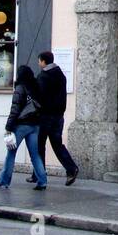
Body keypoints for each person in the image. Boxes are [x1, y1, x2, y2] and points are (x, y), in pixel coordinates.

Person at [0, 65, 47, 190]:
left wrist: (8, 127)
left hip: (21, 125)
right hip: (35, 125)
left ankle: (4, 181)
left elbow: (15, 109)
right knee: (35, 154)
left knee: (11, 153)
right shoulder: (36, 87)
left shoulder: (20, 88)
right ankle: (42, 181)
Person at [36, 50, 79, 185]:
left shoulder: (43, 77)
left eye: (39, 61)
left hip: (45, 116)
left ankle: (39, 174)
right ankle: (71, 168)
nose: (38, 63)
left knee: (39, 145)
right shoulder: (61, 75)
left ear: (43, 61)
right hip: (59, 116)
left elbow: (39, 97)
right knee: (57, 144)